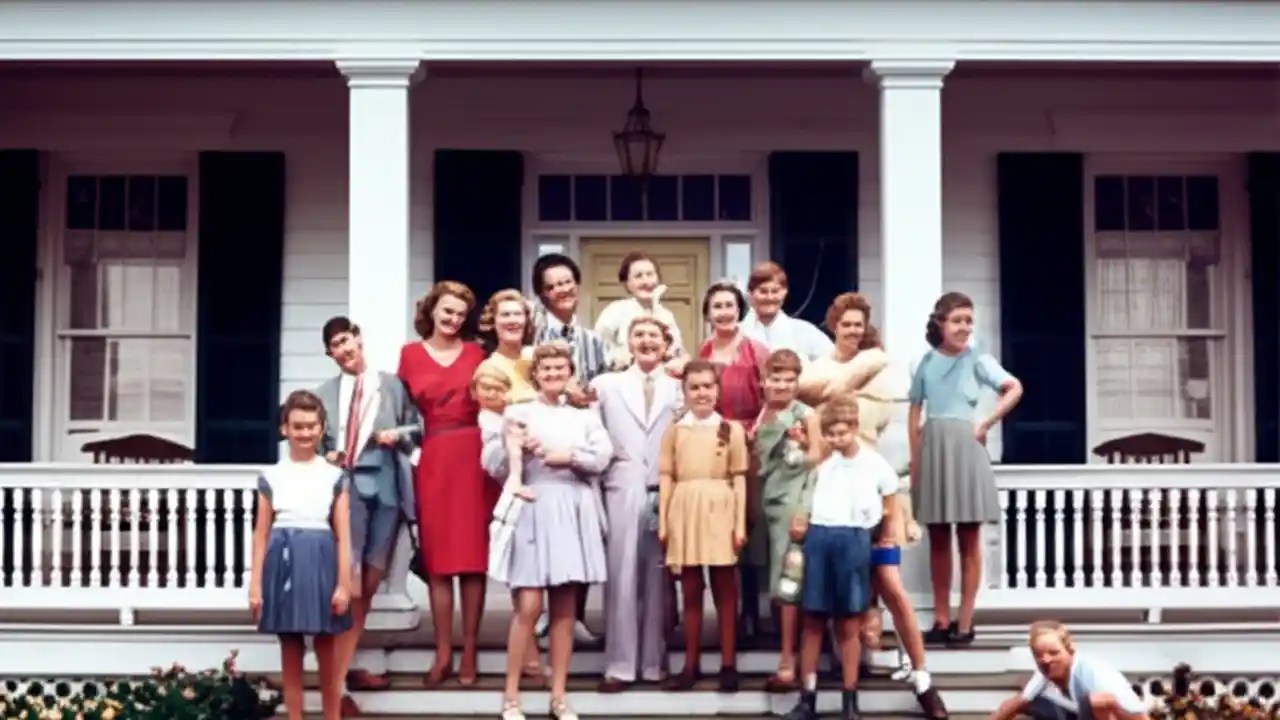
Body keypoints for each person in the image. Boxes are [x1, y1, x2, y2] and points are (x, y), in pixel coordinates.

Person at [492, 342, 614, 720]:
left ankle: (558, 696)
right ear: (535, 373)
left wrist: (571, 457)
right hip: (533, 504)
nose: (553, 375)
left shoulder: (584, 417)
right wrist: (518, 451)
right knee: (528, 606)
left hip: (572, 505)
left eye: (560, 369)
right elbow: (496, 465)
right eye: (546, 369)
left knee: (564, 608)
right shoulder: (517, 413)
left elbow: (603, 456)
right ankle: (510, 697)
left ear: (569, 373)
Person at [313, 317, 420, 713]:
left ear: (359, 338)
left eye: (346, 340)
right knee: (349, 587)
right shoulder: (323, 394)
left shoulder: (391, 385)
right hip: (347, 490)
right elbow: (312, 441)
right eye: (335, 346)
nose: (344, 349)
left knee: (369, 586)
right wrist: (327, 454)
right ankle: (336, 687)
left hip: (387, 489)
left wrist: (399, 434)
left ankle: (344, 669)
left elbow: (419, 427)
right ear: (330, 354)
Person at [909, 291, 1023, 647]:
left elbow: (1014, 387)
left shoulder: (978, 359)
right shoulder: (926, 362)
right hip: (934, 447)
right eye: (957, 320)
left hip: (966, 444)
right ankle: (941, 618)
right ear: (941, 323)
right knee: (939, 537)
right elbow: (915, 412)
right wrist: (916, 460)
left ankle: (966, 620)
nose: (963, 327)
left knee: (969, 537)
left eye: (968, 321)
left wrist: (986, 422)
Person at [397, 281, 496, 686]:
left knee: (473, 564)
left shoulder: (477, 354)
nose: (453, 319)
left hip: (474, 456)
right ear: (432, 310)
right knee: (438, 565)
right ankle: (442, 654)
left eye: (460, 313)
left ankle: (469, 651)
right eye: (447, 311)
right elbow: (400, 412)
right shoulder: (410, 355)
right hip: (435, 455)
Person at [782, 397, 892, 720]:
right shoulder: (822, 463)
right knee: (813, 620)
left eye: (842, 433)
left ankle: (850, 699)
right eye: (830, 434)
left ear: (855, 429)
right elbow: (804, 496)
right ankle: (808, 698)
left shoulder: (873, 463)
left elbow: (890, 498)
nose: (836, 440)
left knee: (849, 623)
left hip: (854, 539)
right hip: (820, 537)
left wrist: (886, 533)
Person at [591, 317, 682, 692]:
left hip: (664, 487)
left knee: (659, 575)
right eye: (639, 335)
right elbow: (594, 436)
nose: (647, 342)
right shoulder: (605, 385)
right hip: (621, 484)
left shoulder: (678, 388)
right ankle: (620, 664)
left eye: (655, 336)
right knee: (622, 575)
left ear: (666, 344)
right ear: (629, 343)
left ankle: (654, 662)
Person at [250, 390, 353, 720]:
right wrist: (255, 585)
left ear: (321, 428)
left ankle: (331, 715)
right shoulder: (272, 476)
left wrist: (343, 583)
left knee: (326, 646)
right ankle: (295, 716)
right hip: (283, 558)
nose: (305, 433)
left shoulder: (333, 476)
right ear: (284, 429)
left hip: (321, 557)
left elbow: (344, 534)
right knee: (291, 647)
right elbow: (261, 533)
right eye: (298, 426)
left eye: (311, 426)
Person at [529, 253, 607, 643]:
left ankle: (574, 614)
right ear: (542, 295)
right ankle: (544, 614)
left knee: (580, 529)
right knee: (544, 531)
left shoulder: (594, 343)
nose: (562, 290)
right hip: (542, 444)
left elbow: (601, 392)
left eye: (566, 282)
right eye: (552, 285)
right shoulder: (534, 341)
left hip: (580, 442)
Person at [659, 359, 748, 693]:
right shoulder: (675, 431)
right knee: (692, 591)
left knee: (726, 590)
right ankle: (691, 664)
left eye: (708, 386)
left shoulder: (731, 430)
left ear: (718, 390)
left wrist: (739, 524)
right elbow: (666, 476)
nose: (701, 393)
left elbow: (739, 479)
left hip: (720, 507)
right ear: (684, 392)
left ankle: (728, 664)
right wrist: (665, 520)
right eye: (694, 387)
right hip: (685, 507)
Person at [697, 280, 770, 643]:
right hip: (713, 442)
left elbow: (771, 395)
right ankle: (729, 611)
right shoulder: (705, 351)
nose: (724, 312)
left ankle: (753, 612)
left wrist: (753, 431)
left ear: (739, 309)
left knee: (749, 522)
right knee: (721, 521)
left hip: (750, 441)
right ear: (708, 314)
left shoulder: (756, 350)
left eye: (729, 305)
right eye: (717, 306)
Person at [754, 348, 823, 693]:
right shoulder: (762, 414)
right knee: (769, 578)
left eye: (788, 379)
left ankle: (788, 660)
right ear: (764, 381)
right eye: (775, 378)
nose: (781, 385)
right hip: (766, 503)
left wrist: (804, 510)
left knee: (789, 581)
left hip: (794, 505)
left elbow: (817, 461)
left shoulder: (805, 415)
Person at [988, 621, 1150, 720]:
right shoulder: (1044, 671)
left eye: (1054, 652)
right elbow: (1015, 704)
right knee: (1031, 703)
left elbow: (1136, 714)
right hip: (1075, 713)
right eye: (1039, 655)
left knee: (1096, 702)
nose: (1046, 659)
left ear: (1070, 651)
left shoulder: (1094, 674)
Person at [593, 251, 686, 370]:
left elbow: (679, 352)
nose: (646, 281)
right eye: (638, 276)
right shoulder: (615, 311)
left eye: (650, 274)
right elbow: (598, 350)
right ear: (626, 284)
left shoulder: (666, 315)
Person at [740, 261, 834, 363]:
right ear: (750, 294)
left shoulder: (806, 332)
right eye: (763, 291)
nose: (769, 297)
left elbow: (832, 364)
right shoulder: (738, 333)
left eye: (775, 291)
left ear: (785, 293)